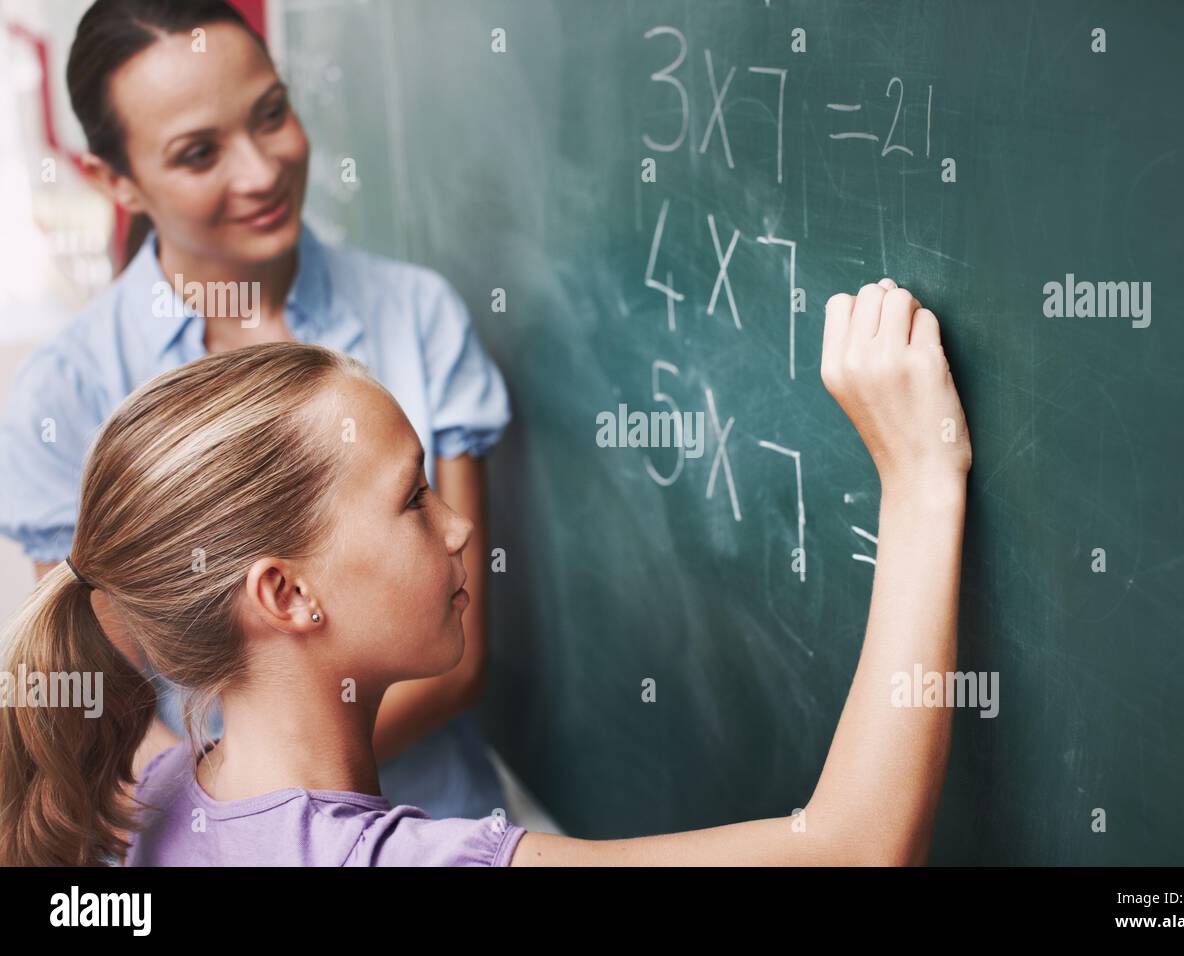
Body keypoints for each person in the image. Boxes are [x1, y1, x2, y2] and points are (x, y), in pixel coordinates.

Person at [0, 278, 972, 865]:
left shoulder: (158, 796)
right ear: (286, 593)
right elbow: (852, 849)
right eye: (411, 498)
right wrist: (920, 478)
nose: (462, 528)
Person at [0, 0, 510, 818]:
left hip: (429, 827)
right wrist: (234, 832)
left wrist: (280, 820)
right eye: (199, 154)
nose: (261, 171)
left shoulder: (418, 315)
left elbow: (459, 647)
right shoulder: (67, 392)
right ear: (116, 181)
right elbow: (100, 693)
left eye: (271, 115)